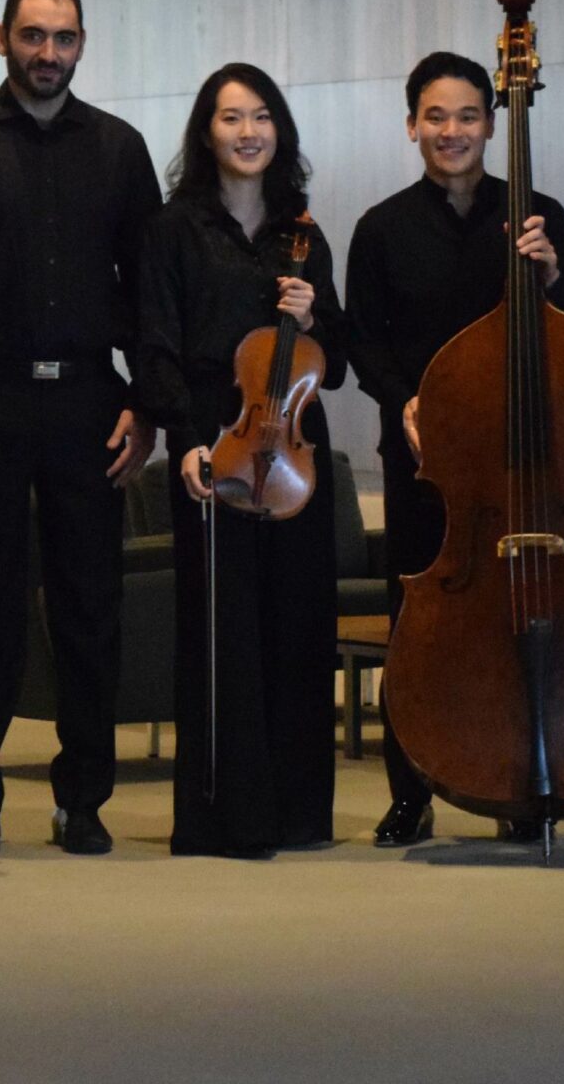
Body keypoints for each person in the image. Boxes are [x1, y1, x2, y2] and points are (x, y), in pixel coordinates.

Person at [0, 0, 161, 856]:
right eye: (33, 35)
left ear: (82, 44)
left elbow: (147, 289)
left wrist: (146, 401)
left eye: (63, 38)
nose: (48, 53)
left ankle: (83, 800)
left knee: (89, 608)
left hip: (90, 401)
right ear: (2, 39)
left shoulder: (120, 148)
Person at [343, 50, 564, 847]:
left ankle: (519, 786)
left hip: (522, 460)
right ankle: (410, 793)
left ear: (492, 123)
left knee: (517, 622)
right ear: (411, 125)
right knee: (419, 626)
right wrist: (405, 400)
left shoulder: (537, 214)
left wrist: (552, 275)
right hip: (424, 460)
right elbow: (361, 344)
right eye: (435, 116)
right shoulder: (380, 228)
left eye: (468, 115)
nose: (451, 131)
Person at [136, 63, 347, 859]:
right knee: (222, 632)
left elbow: (339, 362)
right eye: (231, 117)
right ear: (206, 131)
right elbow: (155, 345)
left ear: (279, 130)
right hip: (212, 446)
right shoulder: (173, 229)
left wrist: (314, 315)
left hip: (294, 453)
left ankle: (297, 814)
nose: (248, 131)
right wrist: (187, 437)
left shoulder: (304, 237)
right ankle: (226, 816)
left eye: (261, 116)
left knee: (297, 626)